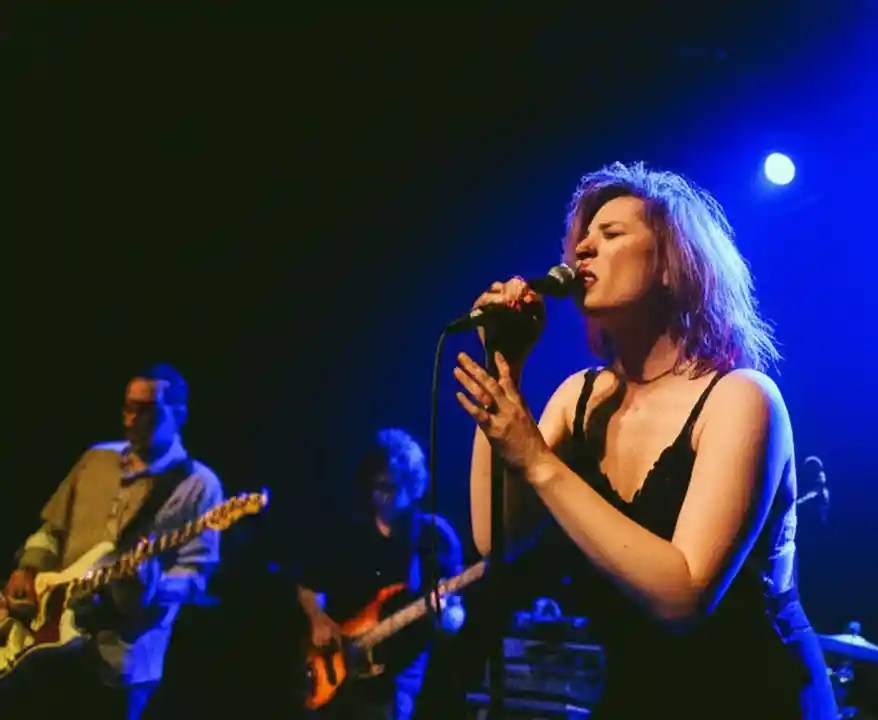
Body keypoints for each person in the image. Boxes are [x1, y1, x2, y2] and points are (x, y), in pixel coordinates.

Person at [453, 162, 838, 719]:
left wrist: (538, 460)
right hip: (639, 691)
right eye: (582, 238)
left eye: (611, 235)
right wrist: (504, 364)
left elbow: (682, 595)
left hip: (754, 695)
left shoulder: (741, 399)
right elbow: (497, 541)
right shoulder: (579, 399)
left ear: (669, 264)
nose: (582, 250)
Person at [0, 363, 224, 719]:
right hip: (46, 639)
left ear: (179, 414)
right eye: (127, 408)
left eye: (145, 410)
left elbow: (196, 578)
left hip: (122, 660)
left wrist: (153, 586)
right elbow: (51, 530)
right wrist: (27, 568)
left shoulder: (200, 485)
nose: (130, 420)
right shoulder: (96, 459)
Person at [296, 428, 466, 720]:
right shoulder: (348, 535)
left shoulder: (433, 536)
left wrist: (446, 616)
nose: (383, 496)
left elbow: (455, 617)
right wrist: (318, 620)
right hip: (336, 670)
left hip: (395, 679)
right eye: (378, 486)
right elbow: (307, 585)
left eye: (392, 487)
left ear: (412, 485)